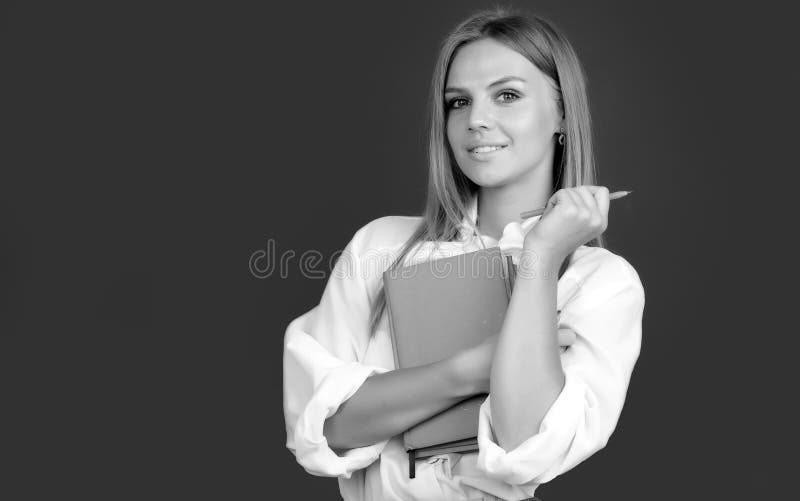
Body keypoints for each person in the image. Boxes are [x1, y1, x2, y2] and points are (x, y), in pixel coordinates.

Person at [283, 7, 645, 501]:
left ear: (562, 112)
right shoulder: (381, 246)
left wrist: (541, 254)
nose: (476, 120)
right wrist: (469, 371)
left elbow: (524, 442)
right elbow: (326, 430)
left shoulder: (601, 282)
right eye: (458, 102)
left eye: (507, 95)